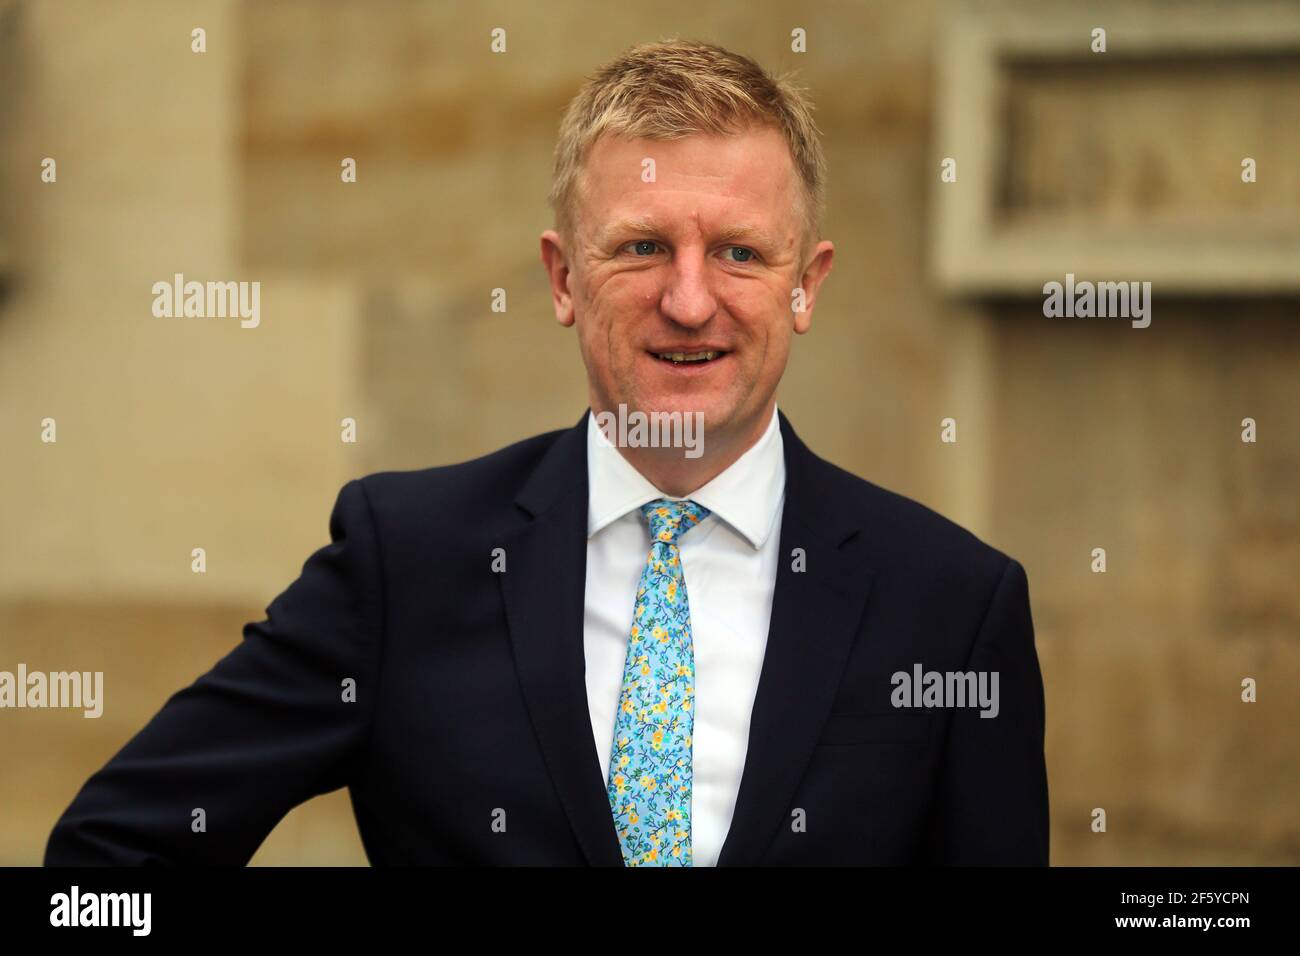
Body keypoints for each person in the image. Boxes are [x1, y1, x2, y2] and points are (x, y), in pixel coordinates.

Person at [45, 39, 1048, 867]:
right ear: (563, 277)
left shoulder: (950, 607)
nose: (689, 298)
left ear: (806, 284)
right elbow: (109, 856)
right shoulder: (408, 562)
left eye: (739, 252)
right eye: (640, 246)